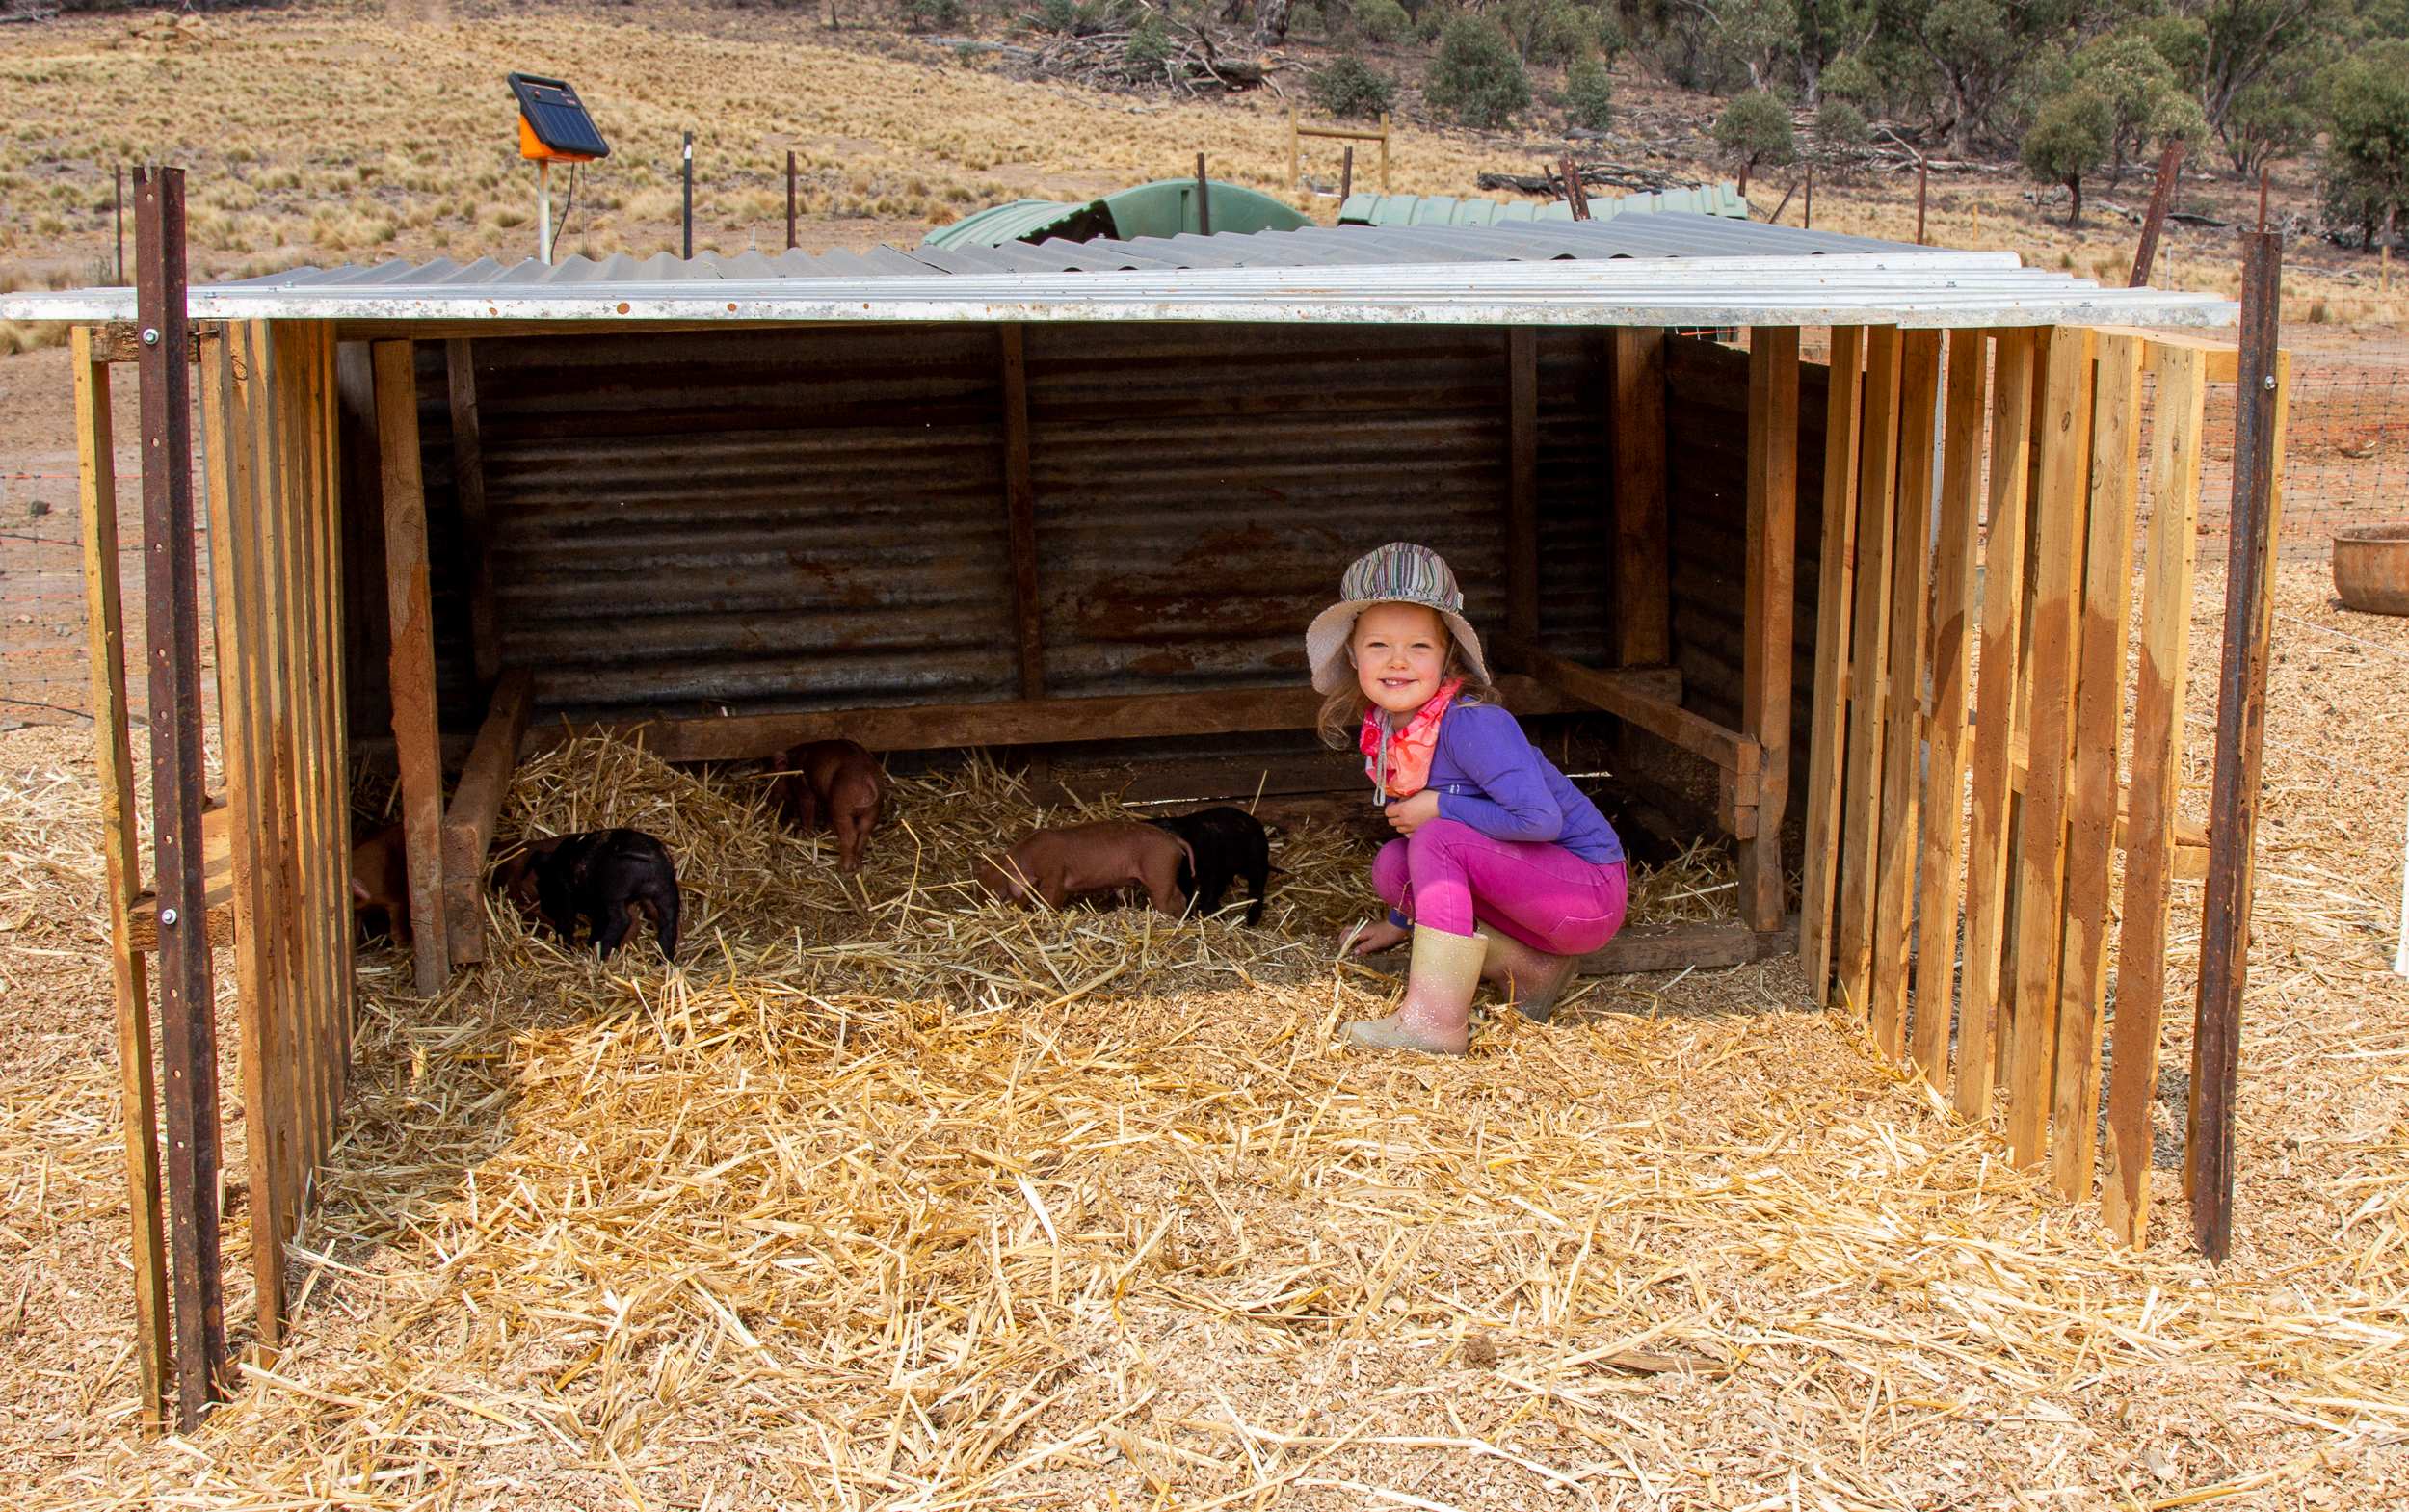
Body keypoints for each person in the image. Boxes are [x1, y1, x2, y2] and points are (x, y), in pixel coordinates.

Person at [1307, 542, 1629, 1054]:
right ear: (1352, 654)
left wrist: (1439, 806)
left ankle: (1435, 1023)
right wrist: (1397, 923)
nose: (1397, 661)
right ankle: (1532, 970)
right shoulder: (1397, 729)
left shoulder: (1474, 722)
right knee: (1395, 865)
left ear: (1446, 656)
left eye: (1419, 647)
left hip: (1585, 894)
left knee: (1433, 838)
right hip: (1539, 902)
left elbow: (1539, 820)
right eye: (1377, 646)